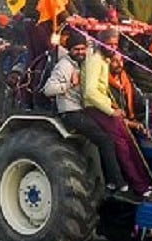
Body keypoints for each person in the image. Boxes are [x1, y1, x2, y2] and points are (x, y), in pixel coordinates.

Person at [42, 29, 129, 194]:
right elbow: (48, 89)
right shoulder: (64, 66)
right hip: (71, 112)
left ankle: (110, 181)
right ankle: (116, 182)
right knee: (105, 141)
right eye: (76, 49)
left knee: (111, 135)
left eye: (83, 49)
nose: (80, 52)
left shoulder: (84, 62)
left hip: (83, 110)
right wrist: (69, 84)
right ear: (69, 50)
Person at [82, 28, 152, 197]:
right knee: (122, 145)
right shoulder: (95, 61)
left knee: (129, 142)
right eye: (109, 44)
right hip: (96, 108)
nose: (113, 47)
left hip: (106, 106)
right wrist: (110, 110)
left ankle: (144, 182)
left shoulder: (104, 60)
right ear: (101, 43)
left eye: (115, 44)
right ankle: (137, 186)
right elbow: (89, 92)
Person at [108, 53, 144, 131]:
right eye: (115, 61)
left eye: (121, 60)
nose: (119, 64)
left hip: (131, 119)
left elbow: (138, 98)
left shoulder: (126, 78)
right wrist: (129, 123)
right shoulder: (104, 83)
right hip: (115, 125)